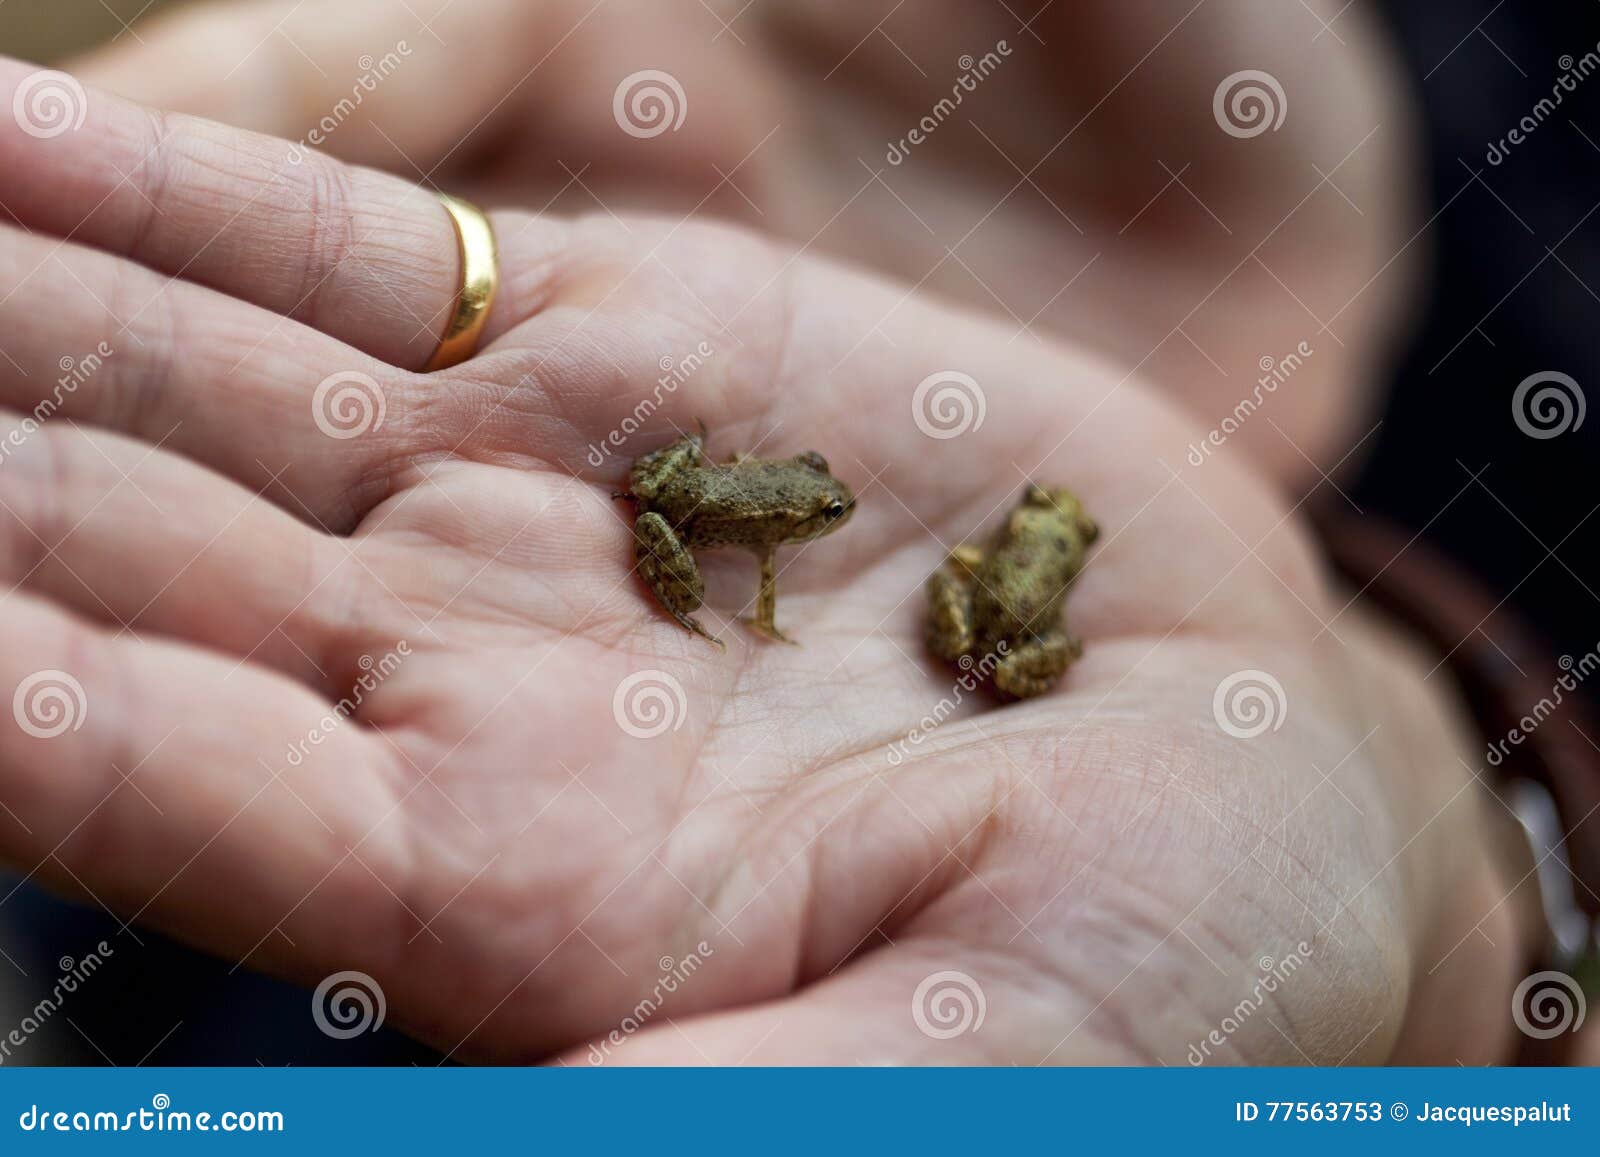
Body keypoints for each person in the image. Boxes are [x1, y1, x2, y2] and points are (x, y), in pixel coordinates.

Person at [0, 1, 1548, 1063]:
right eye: (815, 506)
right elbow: (722, 513)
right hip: (263, 886)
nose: (822, 513)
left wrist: (1471, 865)